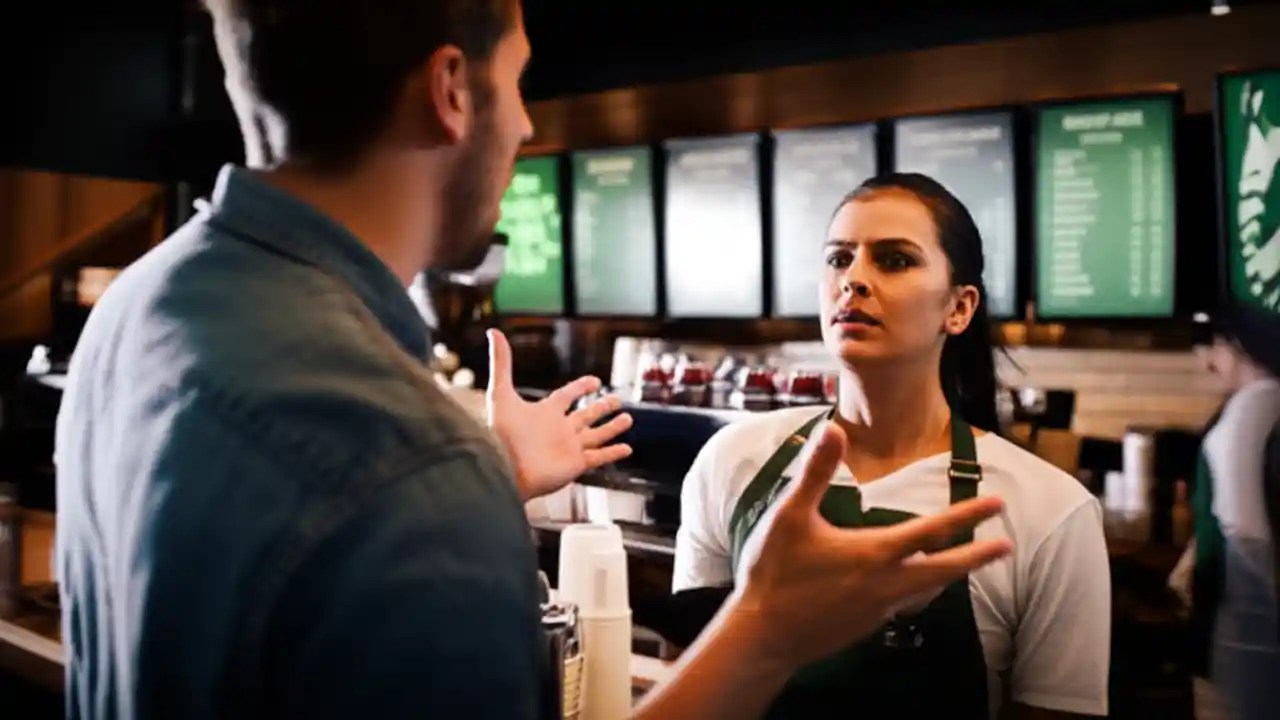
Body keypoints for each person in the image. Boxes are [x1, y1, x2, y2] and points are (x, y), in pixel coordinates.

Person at [52, 2, 1013, 718]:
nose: (527, 128)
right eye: (516, 81)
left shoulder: (136, 307)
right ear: (450, 92)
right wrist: (766, 632)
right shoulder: (409, 463)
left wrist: (486, 482)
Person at [672, 174, 1111, 719]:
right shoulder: (732, 461)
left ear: (960, 307)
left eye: (895, 260)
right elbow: (691, 682)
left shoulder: (1050, 512)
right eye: (838, 259)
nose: (853, 279)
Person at [1183, 306, 1280, 720]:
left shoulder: (1242, 420)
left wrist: (1195, 585)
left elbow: (1237, 533)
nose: (1209, 363)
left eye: (1215, 348)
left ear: (1238, 347)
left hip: (1243, 634)